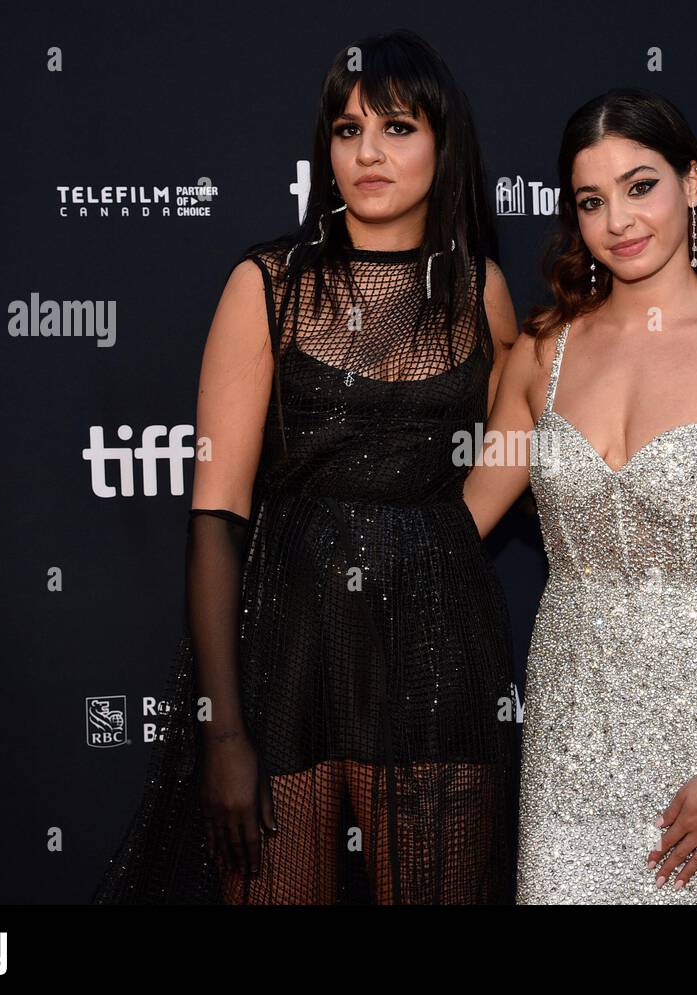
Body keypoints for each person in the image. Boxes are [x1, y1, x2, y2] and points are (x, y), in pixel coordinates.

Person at [94, 29, 521, 905]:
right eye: (346, 128)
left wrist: (433, 537)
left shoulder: (481, 289)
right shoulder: (267, 285)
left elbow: (523, 431)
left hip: (437, 653)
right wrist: (223, 735)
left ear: (445, 146)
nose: (368, 151)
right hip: (284, 654)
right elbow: (216, 515)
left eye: (398, 128)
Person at [462, 88, 697, 903]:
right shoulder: (541, 353)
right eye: (592, 200)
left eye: (642, 186)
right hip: (573, 732)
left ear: (693, 184)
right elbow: (461, 524)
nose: (619, 221)